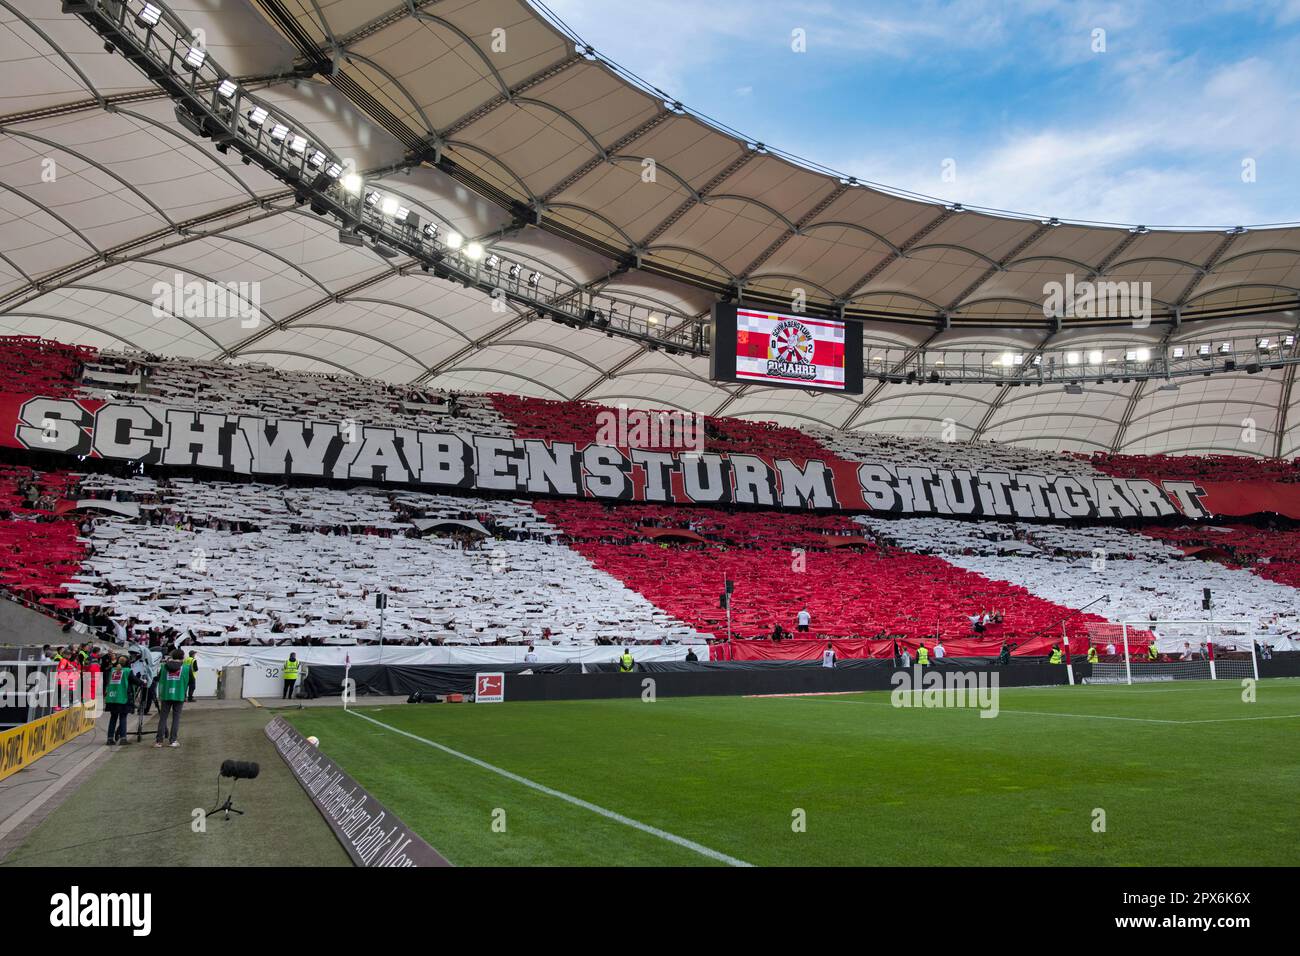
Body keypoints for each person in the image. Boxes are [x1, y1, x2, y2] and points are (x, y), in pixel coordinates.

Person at [153, 650, 190, 748]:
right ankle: (173, 740)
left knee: (163, 718)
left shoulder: (164, 667)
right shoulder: (186, 668)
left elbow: (158, 678)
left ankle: (159, 741)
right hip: (179, 694)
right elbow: (191, 681)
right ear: (182, 656)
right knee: (176, 718)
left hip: (166, 694)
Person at [104, 654, 135, 746]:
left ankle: (110, 738)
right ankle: (123, 738)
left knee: (113, 718)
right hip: (122, 698)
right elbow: (135, 680)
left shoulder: (113, 670)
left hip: (112, 697)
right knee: (123, 717)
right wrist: (143, 682)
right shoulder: (127, 671)